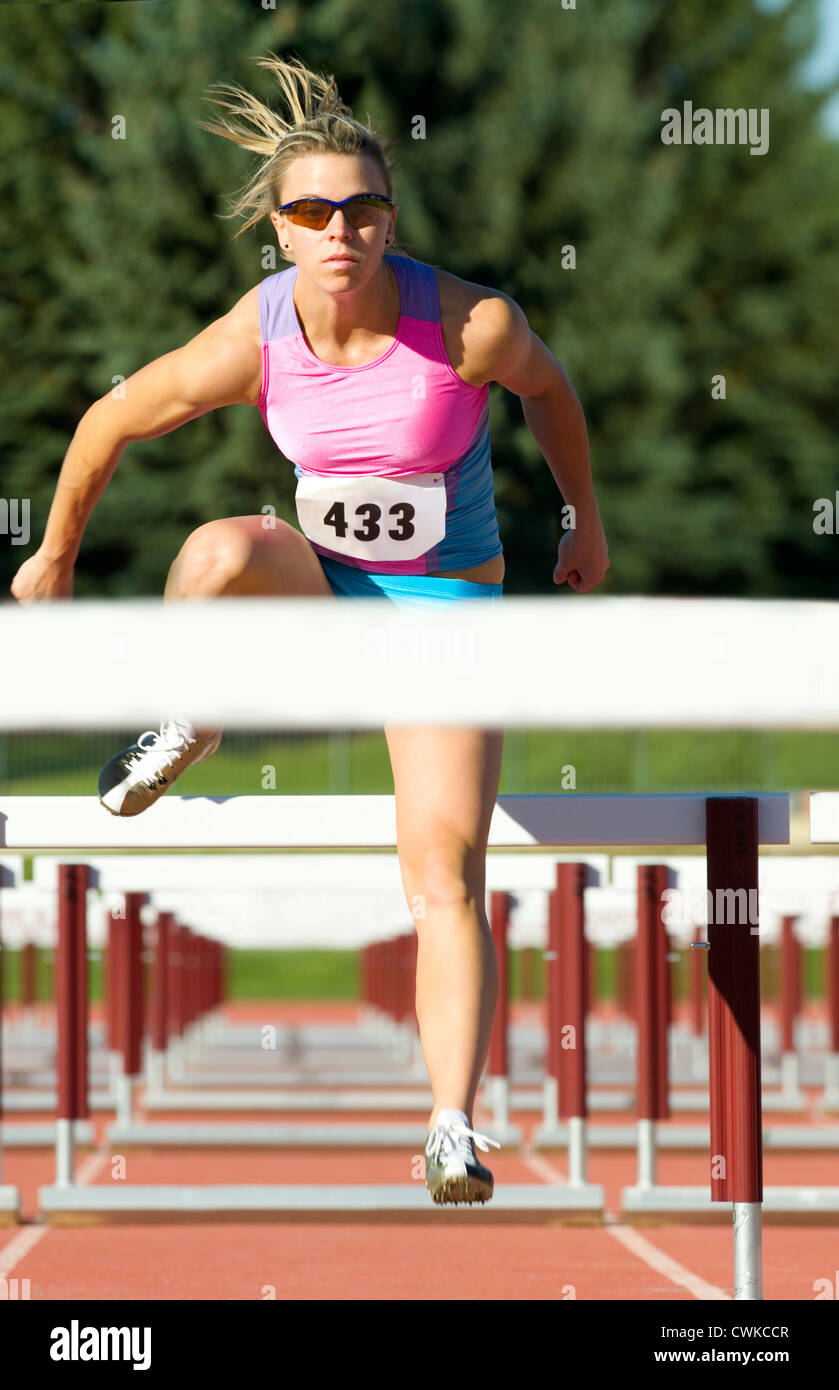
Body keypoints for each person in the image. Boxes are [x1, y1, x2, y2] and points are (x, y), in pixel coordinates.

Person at [10, 53, 609, 1204]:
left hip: (441, 609)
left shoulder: (470, 327)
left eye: (363, 208)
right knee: (222, 548)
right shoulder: (258, 335)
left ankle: (448, 1126)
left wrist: (582, 523)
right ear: (280, 231)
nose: (340, 229)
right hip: (322, 583)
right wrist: (55, 551)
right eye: (312, 210)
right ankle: (194, 716)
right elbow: (112, 416)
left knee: (440, 873)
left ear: (390, 221)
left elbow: (552, 393)